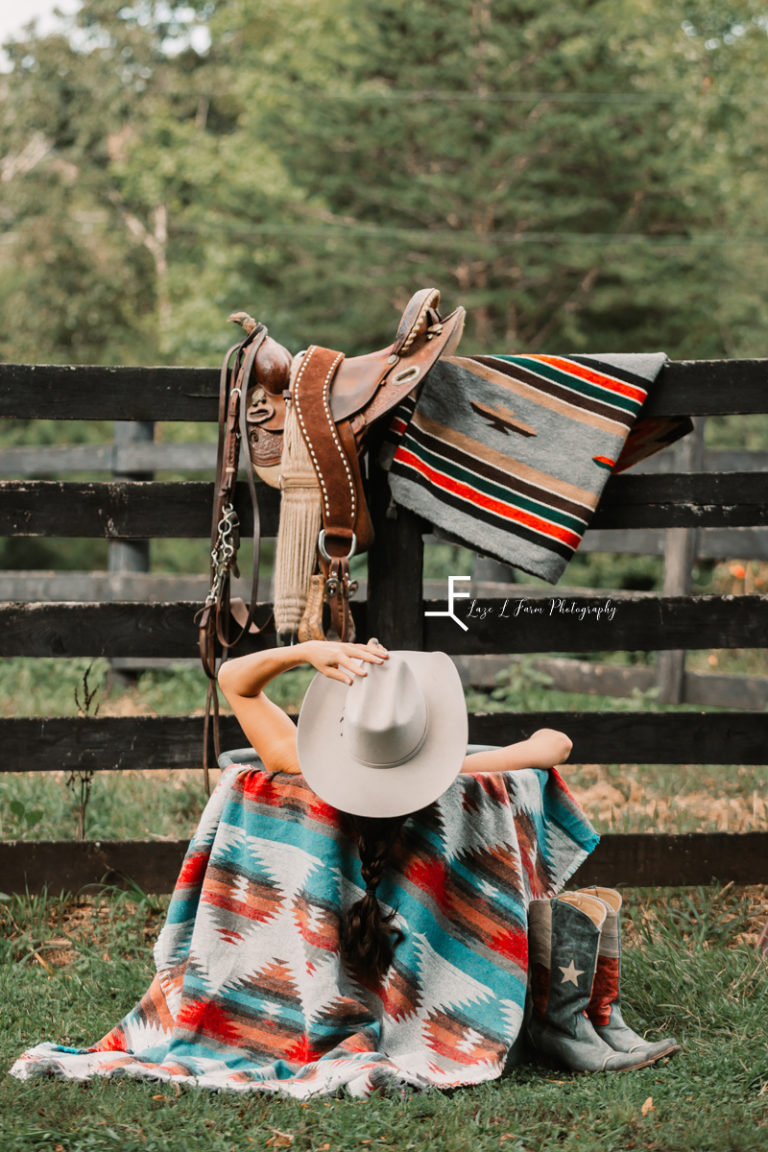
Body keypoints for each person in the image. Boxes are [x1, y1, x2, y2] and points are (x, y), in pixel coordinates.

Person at [10, 639, 677, 1097]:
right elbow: (552, 746)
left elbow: (232, 676)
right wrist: (525, 744)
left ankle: (583, 1017)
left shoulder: (294, 764)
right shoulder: (457, 775)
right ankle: (570, 1018)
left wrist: (307, 651)